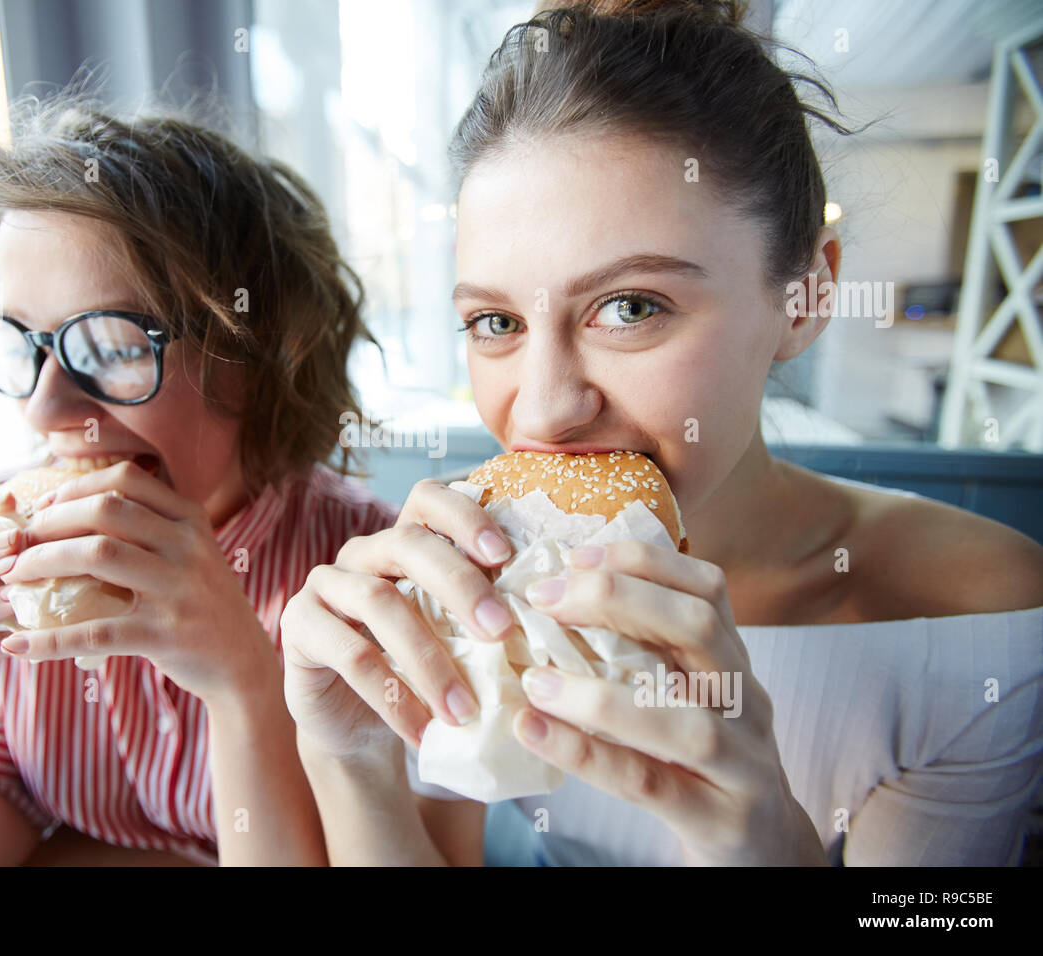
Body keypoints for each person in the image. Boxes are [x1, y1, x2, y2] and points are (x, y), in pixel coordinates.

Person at [279, 0, 1043, 866]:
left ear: (805, 296)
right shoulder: (465, 582)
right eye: (495, 322)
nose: (539, 413)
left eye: (630, 307)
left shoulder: (977, 612)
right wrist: (348, 756)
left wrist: (767, 850)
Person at [0, 94, 395, 865]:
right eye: (21, 341)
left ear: (263, 355)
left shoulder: (366, 567)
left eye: (110, 342)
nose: (45, 409)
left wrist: (243, 688)